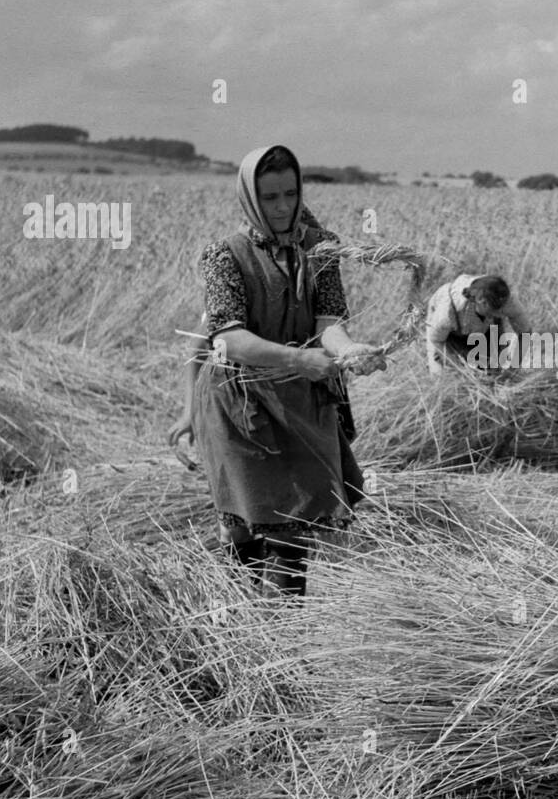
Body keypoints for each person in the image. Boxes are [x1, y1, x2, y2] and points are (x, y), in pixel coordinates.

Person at [167, 145, 385, 595]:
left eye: (290, 193)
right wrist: (298, 360)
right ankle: (245, 625)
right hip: (237, 405)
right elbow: (227, 339)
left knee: (292, 525)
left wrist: (348, 352)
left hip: (301, 406)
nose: (283, 206)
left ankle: (281, 637)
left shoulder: (321, 249)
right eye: (270, 197)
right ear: (250, 198)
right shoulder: (225, 257)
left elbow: (329, 324)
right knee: (243, 524)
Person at [425, 274, 531, 374]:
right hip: (449, 333)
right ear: (482, 301)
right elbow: (436, 340)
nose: (499, 313)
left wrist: (513, 368)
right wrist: (461, 369)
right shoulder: (447, 312)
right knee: (443, 375)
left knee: (494, 370)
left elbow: (525, 334)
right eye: (495, 311)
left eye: (501, 310)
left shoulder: (506, 301)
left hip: (483, 329)